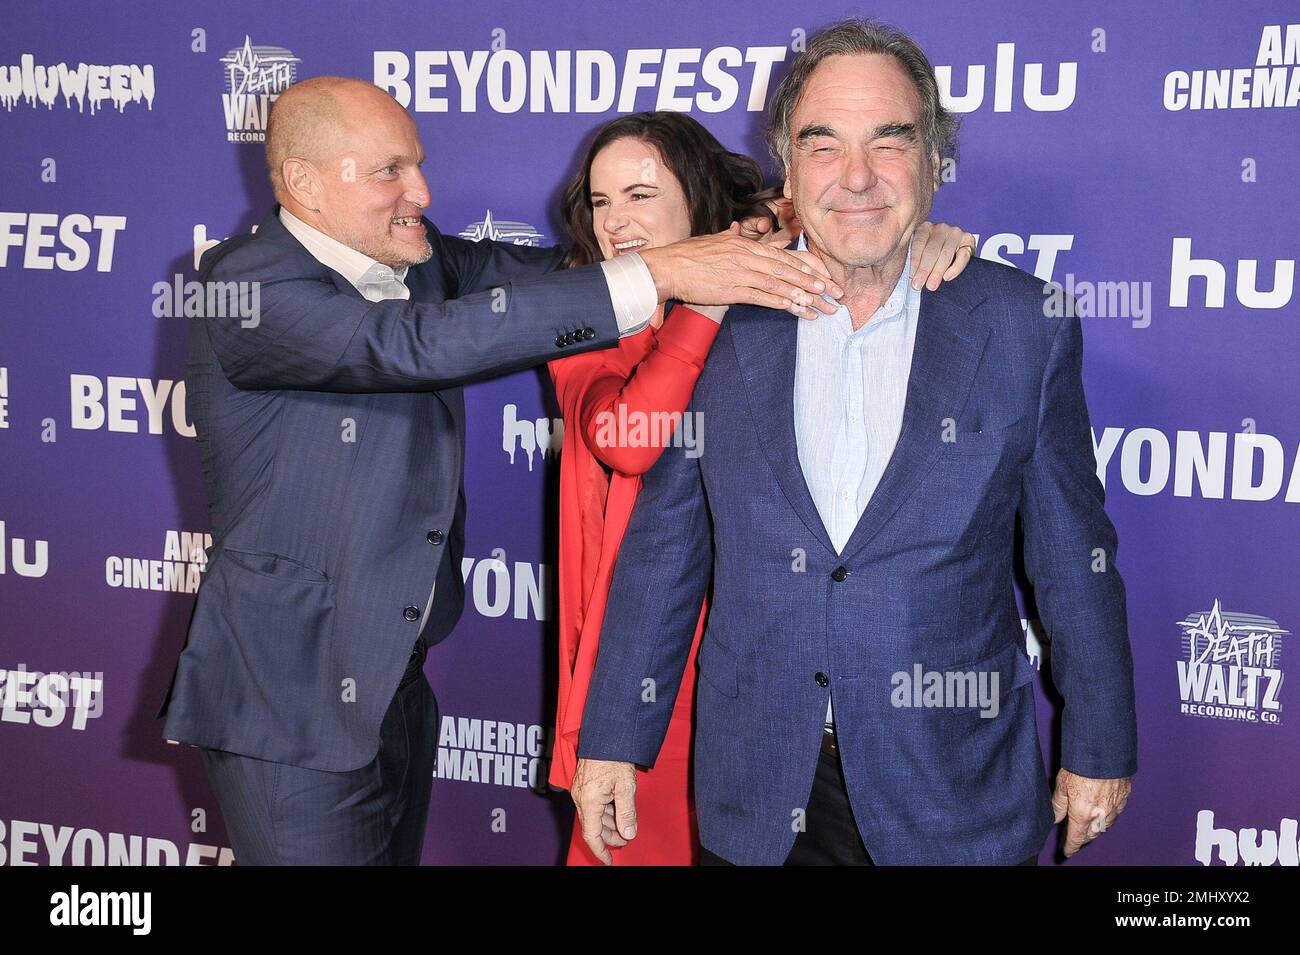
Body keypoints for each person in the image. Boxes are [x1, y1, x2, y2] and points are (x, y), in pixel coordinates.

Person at [154, 75, 846, 865]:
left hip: (395, 685)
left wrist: (748, 228)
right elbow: (410, 345)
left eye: (416, 163)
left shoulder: (416, 253)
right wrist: (668, 276)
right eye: (391, 171)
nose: (422, 188)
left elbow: (576, 270)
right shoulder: (247, 283)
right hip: (287, 703)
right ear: (305, 182)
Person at [571, 19, 1137, 866]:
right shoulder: (721, 317)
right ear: (788, 167)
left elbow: (1072, 552)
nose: (859, 177)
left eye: (890, 140)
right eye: (823, 144)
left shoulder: (1021, 325)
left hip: (953, 791)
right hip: (761, 789)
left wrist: (1099, 740)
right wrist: (613, 733)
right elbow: (666, 545)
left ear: (934, 158)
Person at [548, 110, 975, 865]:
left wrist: (926, 242)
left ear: (701, 203)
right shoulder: (586, 316)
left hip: (761, 668)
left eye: (641, 195)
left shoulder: (772, 279)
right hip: (641, 669)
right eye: (602, 202)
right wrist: (707, 298)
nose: (616, 223)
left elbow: (857, 212)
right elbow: (630, 440)